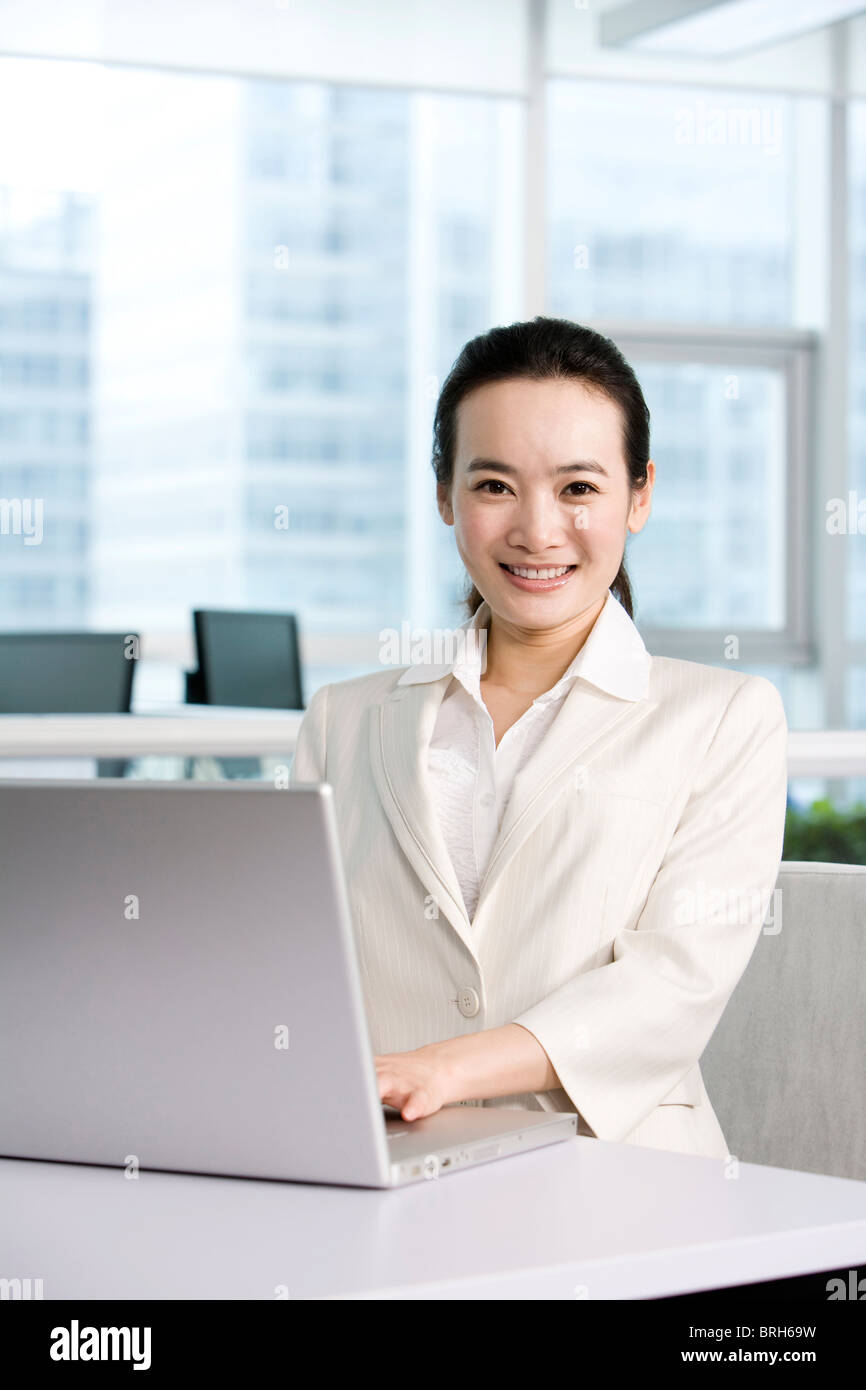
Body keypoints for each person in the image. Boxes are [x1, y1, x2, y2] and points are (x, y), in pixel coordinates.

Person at [290, 316, 788, 1159]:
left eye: (579, 488)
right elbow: (289, 970)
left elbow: (672, 987)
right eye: (494, 486)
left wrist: (443, 1069)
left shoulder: (725, 718)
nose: (537, 530)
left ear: (640, 495)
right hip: (383, 1168)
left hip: (624, 1177)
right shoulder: (345, 718)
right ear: (444, 492)